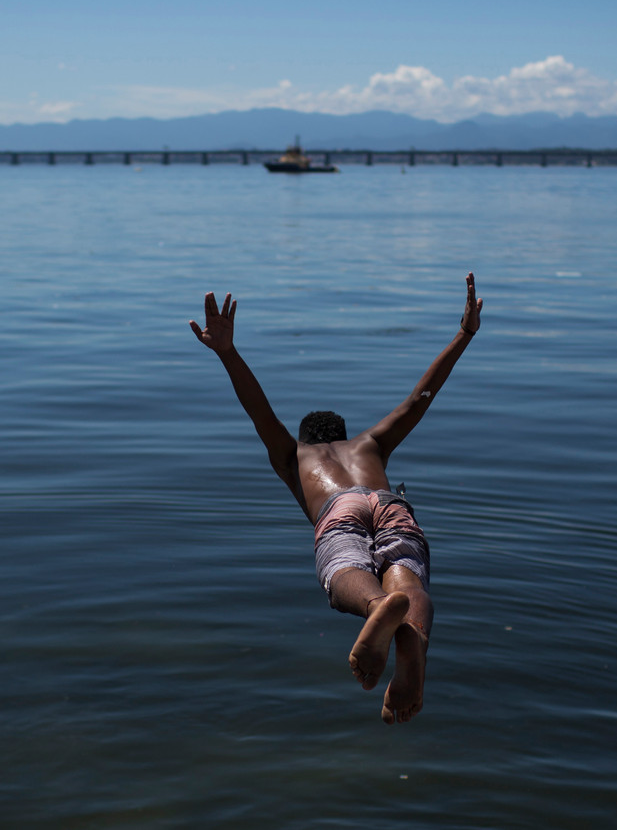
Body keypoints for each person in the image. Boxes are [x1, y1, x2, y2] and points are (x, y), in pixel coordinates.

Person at [189, 273, 482, 724]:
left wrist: (228, 353)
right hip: (388, 503)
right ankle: (411, 635)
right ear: (343, 438)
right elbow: (417, 402)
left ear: (309, 440)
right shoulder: (370, 445)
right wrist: (462, 334)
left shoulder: (294, 456)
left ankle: (375, 608)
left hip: (338, 510)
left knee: (344, 569)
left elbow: (258, 409)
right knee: (411, 586)